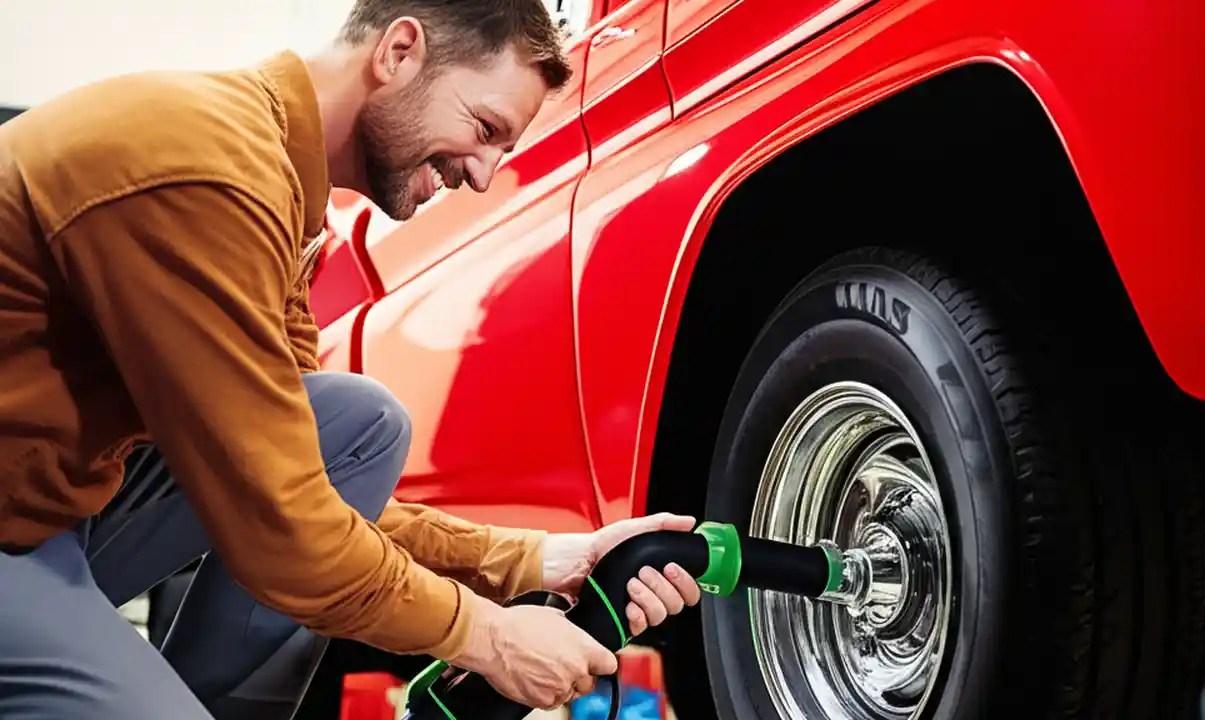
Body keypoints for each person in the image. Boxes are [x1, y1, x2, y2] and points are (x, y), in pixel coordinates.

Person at [0, 1, 703, 718]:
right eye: (485, 130)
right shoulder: (208, 172)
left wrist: (538, 561)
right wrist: (488, 636)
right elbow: (285, 525)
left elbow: (292, 476)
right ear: (399, 52)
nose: (486, 175)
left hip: (49, 515)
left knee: (357, 424)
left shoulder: (283, 196)